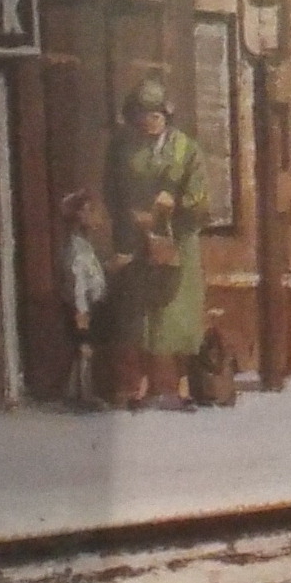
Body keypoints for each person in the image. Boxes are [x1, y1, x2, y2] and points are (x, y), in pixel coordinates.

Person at [103, 75, 209, 410]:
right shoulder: (123, 149)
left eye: (154, 115)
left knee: (180, 314)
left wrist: (176, 205)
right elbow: (113, 191)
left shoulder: (186, 149)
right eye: (141, 115)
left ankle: (183, 386)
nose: (148, 122)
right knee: (143, 317)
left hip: (178, 244)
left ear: (166, 115)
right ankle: (143, 386)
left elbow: (201, 199)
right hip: (139, 242)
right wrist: (131, 217)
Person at [57, 189, 115, 410]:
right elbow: (78, 285)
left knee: (83, 352)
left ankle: (73, 394)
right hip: (82, 309)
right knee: (84, 350)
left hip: (89, 306)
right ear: (81, 215)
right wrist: (82, 316)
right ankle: (84, 395)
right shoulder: (77, 250)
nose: (98, 218)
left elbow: (91, 275)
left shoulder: (85, 247)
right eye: (93, 212)